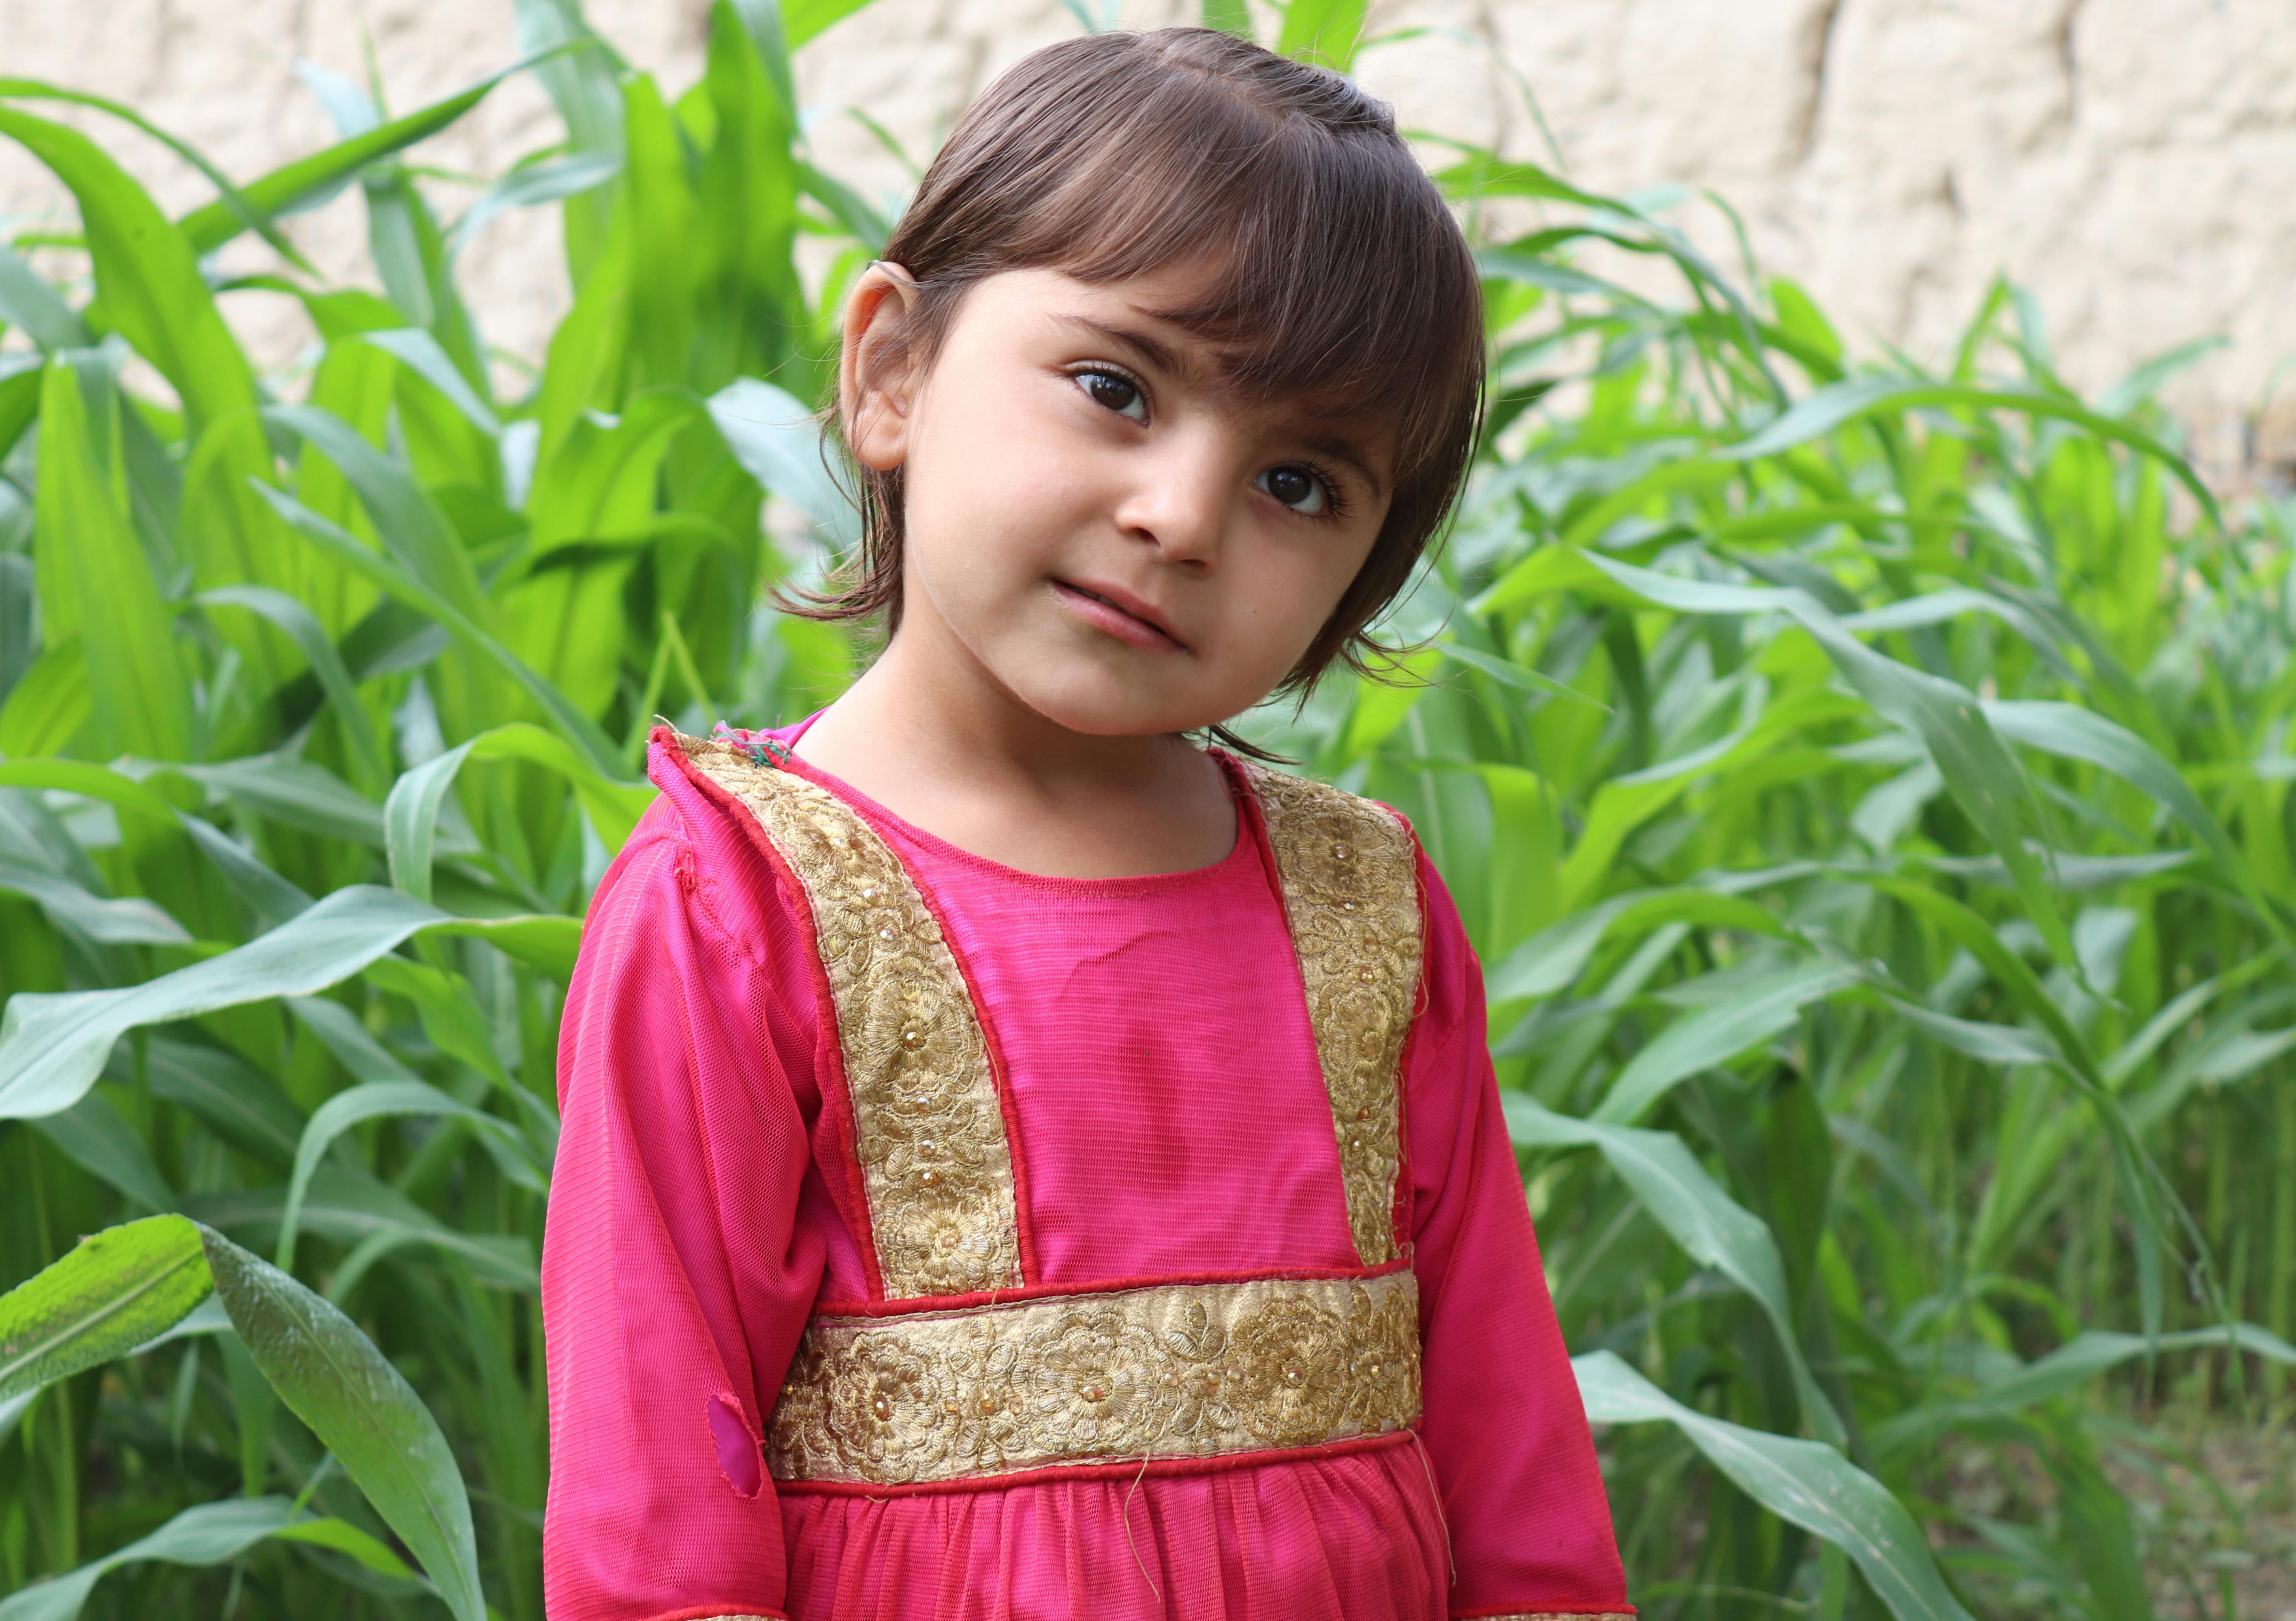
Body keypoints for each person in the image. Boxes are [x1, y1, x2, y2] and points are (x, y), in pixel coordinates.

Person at [541, 26, 1631, 1621]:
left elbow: (1513, 1457)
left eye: (1301, 484)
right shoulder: (736, 903)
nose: (1180, 518)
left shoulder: (1368, 910)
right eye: (1116, 388)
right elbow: (652, 1528)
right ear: (893, 371)